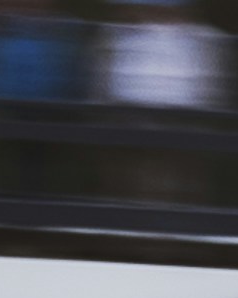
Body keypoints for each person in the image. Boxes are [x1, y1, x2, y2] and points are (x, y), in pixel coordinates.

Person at [97, 0, 229, 208]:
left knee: (176, 185)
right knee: (128, 183)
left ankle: (171, 229)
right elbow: (103, 80)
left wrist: (203, 125)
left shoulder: (206, 38)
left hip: (183, 126)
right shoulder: (117, 33)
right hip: (127, 122)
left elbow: (214, 87)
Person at [0, 0, 93, 202]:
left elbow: (71, 67)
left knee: (34, 167)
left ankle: (31, 212)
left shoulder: (61, 27)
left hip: (44, 110)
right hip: (1, 108)